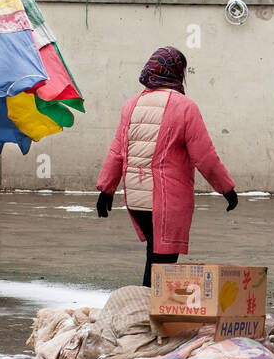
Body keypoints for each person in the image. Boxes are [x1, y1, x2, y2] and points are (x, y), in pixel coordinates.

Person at [95, 47, 238, 286]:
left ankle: (147, 312)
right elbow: (204, 156)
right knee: (162, 265)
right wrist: (227, 189)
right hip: (166, 199)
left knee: (155, 258)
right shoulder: (184, 107)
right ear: (178, 72)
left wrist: (106, 190)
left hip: (138, 199)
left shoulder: (131, 105)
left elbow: (116, 152)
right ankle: (148, 314)